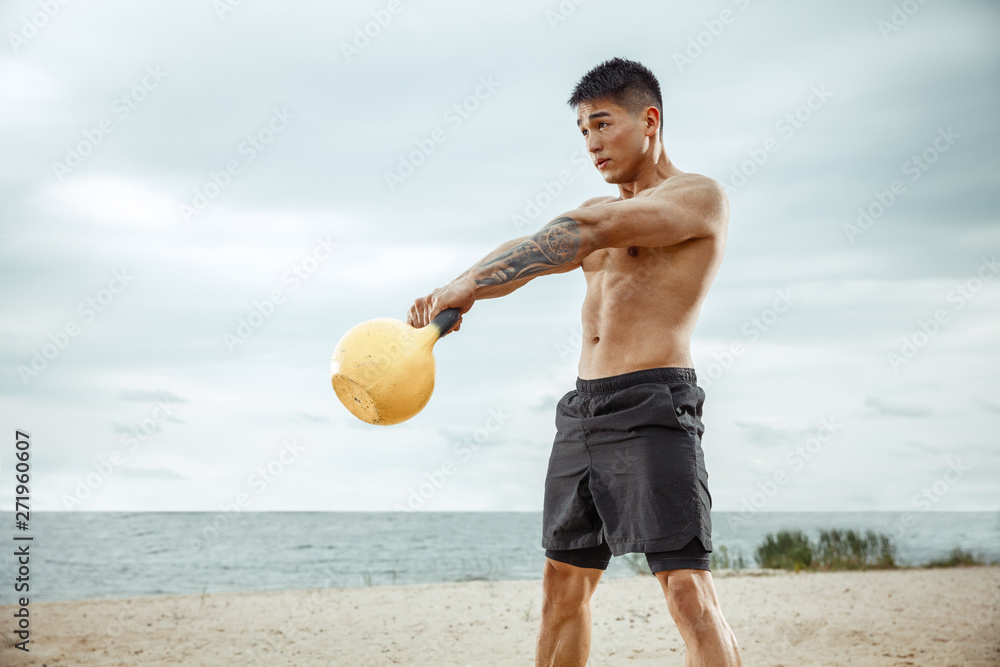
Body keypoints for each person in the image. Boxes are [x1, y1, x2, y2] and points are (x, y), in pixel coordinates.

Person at [406, 57, 743, 667]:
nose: (591, 143)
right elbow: (533, 244)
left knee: (686, 589)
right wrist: (462, 284)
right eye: (583, 131)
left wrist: (472, 283)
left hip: (651, 402)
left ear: (650, 119)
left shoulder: (697, 197)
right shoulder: (595, 210)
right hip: (582, 413)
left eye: (602, 124)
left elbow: (587, 230)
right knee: (562, 585)